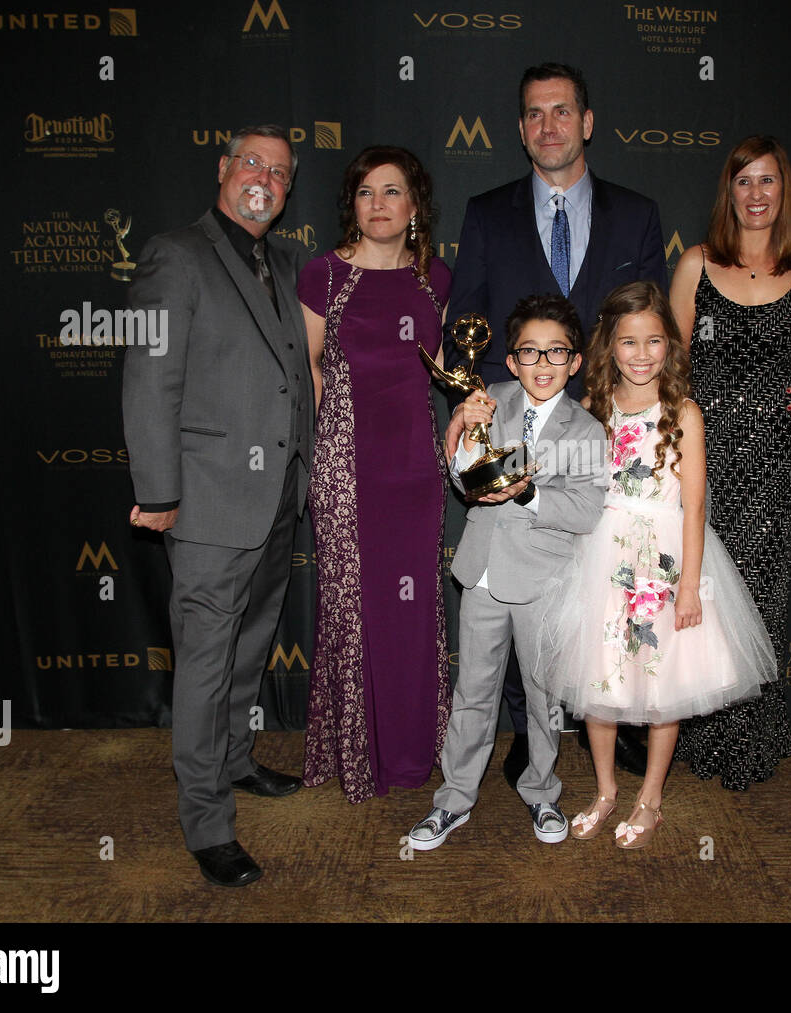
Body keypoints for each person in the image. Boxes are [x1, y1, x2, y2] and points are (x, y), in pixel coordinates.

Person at [443, 61, 664, 783]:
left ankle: (617, 713)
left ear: (587, 121)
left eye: (562, 112)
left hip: (615, 433)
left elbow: (653, 326)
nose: (549, 126)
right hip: (519, 429)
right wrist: (471, 407)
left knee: (617, 575)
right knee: (517, 572)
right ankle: (525, 726)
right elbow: (464, 327)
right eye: (535, 114)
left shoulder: (636, 213)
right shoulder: (485, 211)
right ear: (520, 129)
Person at [122, 125, 311, 887]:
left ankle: (234, 760)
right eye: (252, 163)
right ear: (224, 169)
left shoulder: (288, 262)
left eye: (280, 171)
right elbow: (149, 379)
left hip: (274, 496)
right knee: (204, 663)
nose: (264, 177)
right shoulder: (177, 254)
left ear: (289, 189)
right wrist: (158, 492)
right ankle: (206, 822)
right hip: (205, 502)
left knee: (248, 642)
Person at [543, 281, 778, 849]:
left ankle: (650, 798)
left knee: (663, 684)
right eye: (629, 342)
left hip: (666, 564)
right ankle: (604, 791)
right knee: (598, 681)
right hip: (602, 558)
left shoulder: (684, 412)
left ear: (670, 346)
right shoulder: (594, 409)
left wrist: (690, 586)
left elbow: (695, 504)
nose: (642, 353)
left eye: (654, 341)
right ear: (609, 347)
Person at [407, 294, 607, 850]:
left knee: (543, 697)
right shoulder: (487, 400)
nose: (543, 365)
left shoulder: (587, 430)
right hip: (483, 574)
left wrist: (533, 494)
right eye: (530, 353)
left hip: (544, 582)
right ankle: (453, 801)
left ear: (576, 361)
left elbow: (588, 510)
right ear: (512, 361)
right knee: (472, 692)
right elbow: (465, 482)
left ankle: (542, 791)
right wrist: (462, 431)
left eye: (556, 353)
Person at [667, 136, 791, 790]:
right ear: (729, 191)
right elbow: (672, 367)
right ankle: (704, 736)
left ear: (783, 191)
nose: (757, 194)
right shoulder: (697, 265)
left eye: (768, 181)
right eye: (745, 182)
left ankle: (752, 739)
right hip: (705, 457)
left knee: (761, 599)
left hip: (774, 461)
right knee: (706, 596)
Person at [296, 146, 452, 804]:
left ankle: (416, 751)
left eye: (393, 192)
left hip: (415, 468)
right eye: (367, 192)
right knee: (353, 609)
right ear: (352, 204)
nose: (379, 204)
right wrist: (318, 459)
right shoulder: (323, 276)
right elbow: (310, 371)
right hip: (346, 467)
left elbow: (444, 374)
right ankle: (361, 756)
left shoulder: (435, 280)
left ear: (415, 207)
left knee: (414, 614)